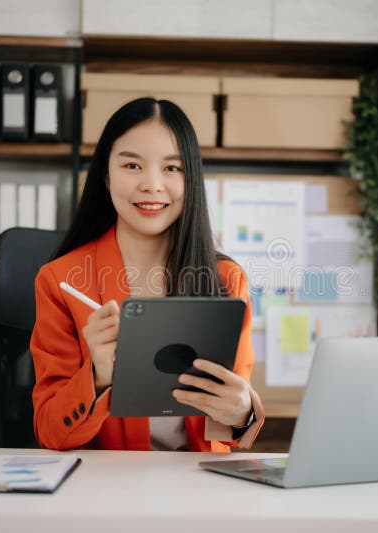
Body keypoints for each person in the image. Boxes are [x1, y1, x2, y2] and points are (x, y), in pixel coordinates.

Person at [30, 97, 264, 451]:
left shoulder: (226, 280)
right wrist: (97, 376)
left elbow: (228, 430)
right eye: (132, 166)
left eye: (172, 168)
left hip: (196, 479)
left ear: (191, 179)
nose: (152, 185)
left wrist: (241, 412)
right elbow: (51, 432)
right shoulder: (61, 282)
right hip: (108, 481)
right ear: (106, 175)